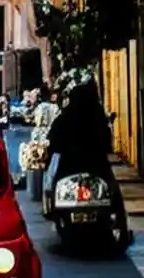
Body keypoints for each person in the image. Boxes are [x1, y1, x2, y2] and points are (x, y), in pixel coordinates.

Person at [46, 76, 127, 231]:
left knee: (57, 185)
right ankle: (120, 226)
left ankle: (56, 213)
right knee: (112, 192)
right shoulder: (97, 115)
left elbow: (54, 139)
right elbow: (107, 143)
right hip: (96, 165)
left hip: (70, 165)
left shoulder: (66, 116)